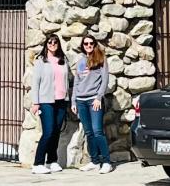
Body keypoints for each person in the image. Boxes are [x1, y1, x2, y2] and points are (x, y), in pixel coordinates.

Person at [30, 33, 71, 174]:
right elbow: (35, 83)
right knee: (48, 132)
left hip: (61, 101)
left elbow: (66, 80)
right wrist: (36, 102)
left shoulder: (63, 60)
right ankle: (37, 163)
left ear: (58, 44)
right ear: (46, 44)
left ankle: (52, 161)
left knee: (55, 133)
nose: (52, 45)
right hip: (45, 101)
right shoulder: (41, 61)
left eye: (55, 42)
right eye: (50, 42)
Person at [72, 35, 112, 173]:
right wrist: (74, 101)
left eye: (90, 43)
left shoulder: (101, 58)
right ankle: (95, 161)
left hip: (94, 100)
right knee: (88, 132)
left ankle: (107, 162)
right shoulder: (80, 61)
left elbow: (105, 80)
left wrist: (98, 98)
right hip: (81, 101)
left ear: (94, 44)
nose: (88, 45)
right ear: (82, 45)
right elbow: (76, 82)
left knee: (97, 131)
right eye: (85, 43)